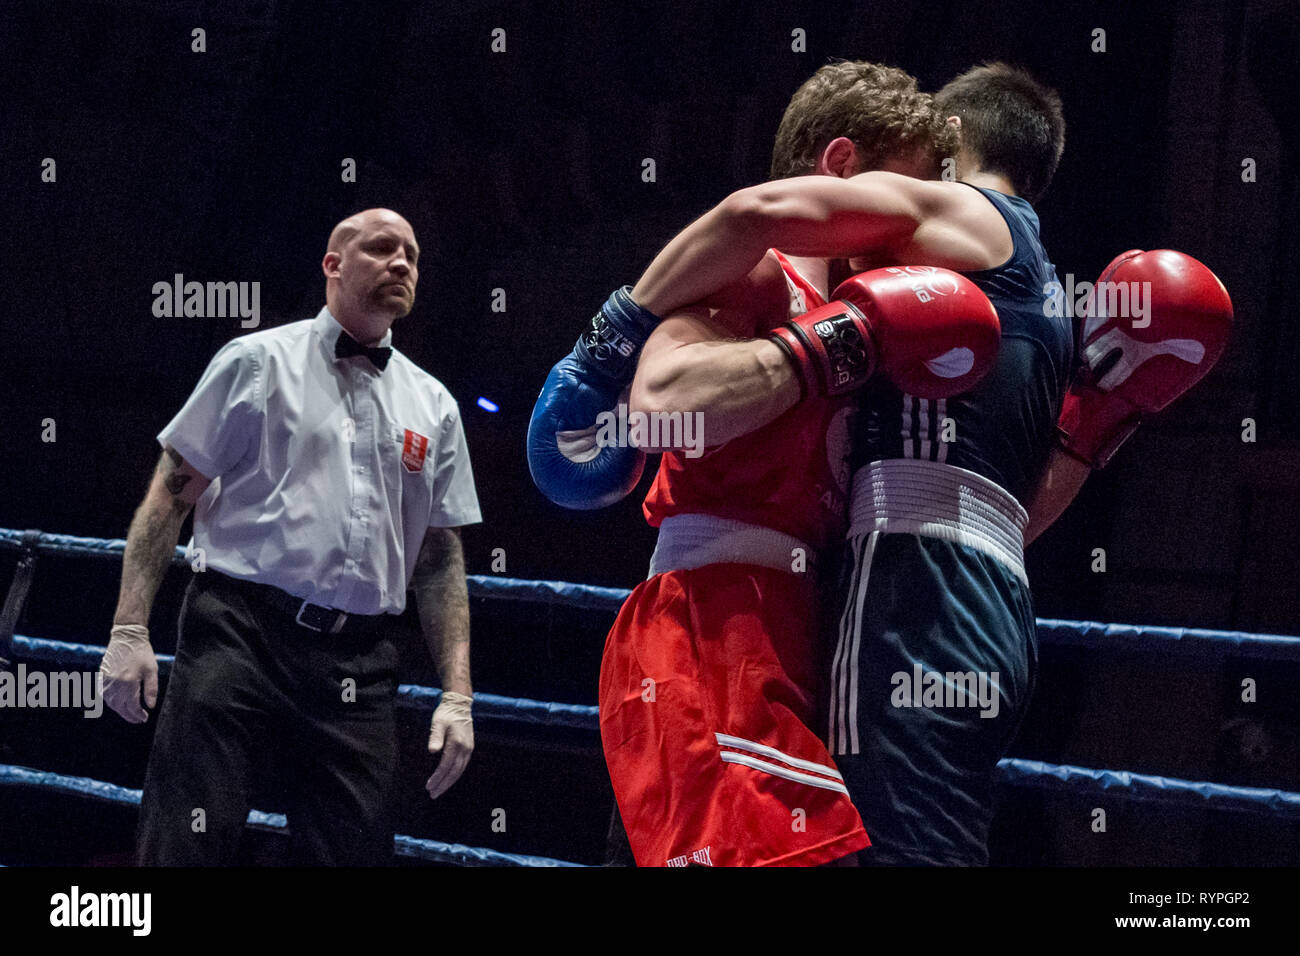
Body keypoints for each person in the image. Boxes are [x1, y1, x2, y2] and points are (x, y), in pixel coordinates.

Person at [619, 62, 1231, 864]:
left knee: (899, 849)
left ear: (954, 155)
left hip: (906, 594)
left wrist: (611, 337)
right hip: (986, 608)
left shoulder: (960, 216)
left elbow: (757, 209)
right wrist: (1100, 420)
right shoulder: (1043, 303)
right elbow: (1015, 508)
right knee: (917, 836)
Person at [529, 62, 1002, 866]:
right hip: (710, 623)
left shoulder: (881, 322)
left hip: (808, 632)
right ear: (843, 167)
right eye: (901, 197)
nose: (909, 233)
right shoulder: (758, 272)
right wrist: (831, 345)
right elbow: (664, 401)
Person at [99, 208, 482, 866]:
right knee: (186, 840)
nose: (401, 263)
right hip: (240, 630)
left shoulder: (435, 405)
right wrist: (130, 631)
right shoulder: (256, 362)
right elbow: (170, 495)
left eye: (412, 256)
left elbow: (440, 557)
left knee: (353, 852)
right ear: (333, 264)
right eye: (382, 248)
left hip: (360, 663)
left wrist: (458, 694)